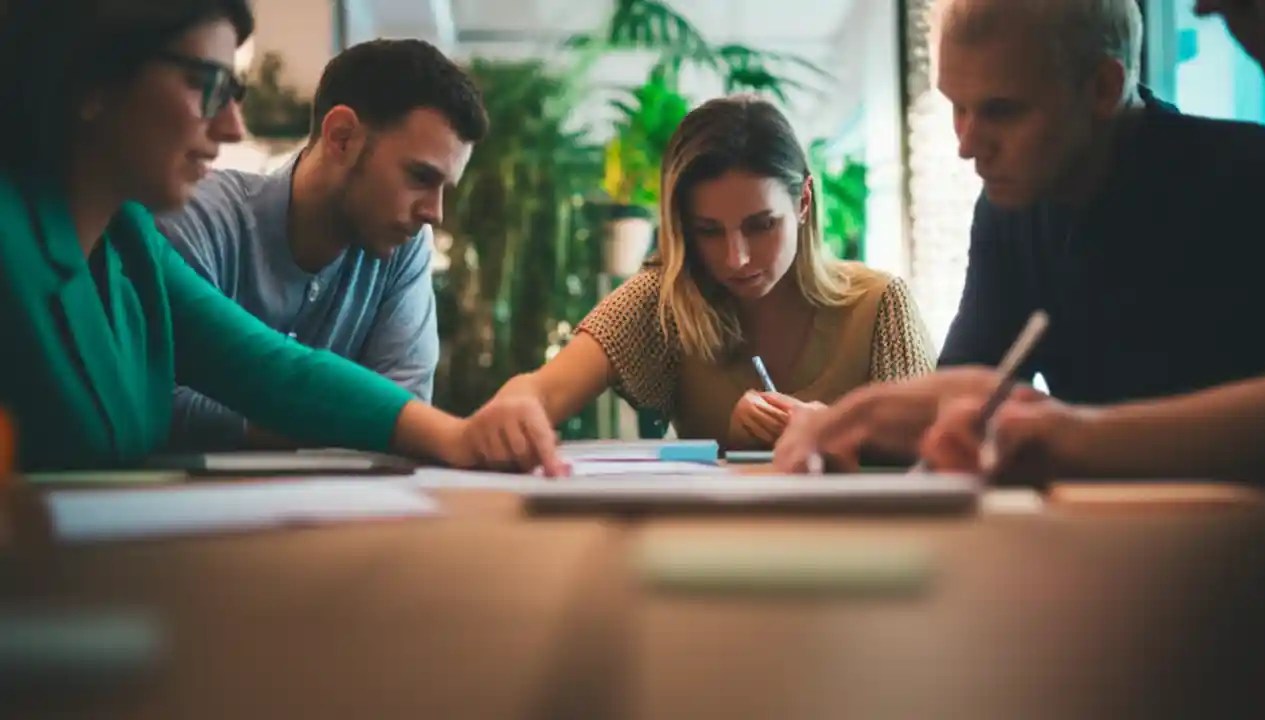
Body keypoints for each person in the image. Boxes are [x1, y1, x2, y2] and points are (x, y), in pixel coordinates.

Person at [0, 0, 565, 474]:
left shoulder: (130, 243)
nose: (232, 127)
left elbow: (276, 370)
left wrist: (456, 437)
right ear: (93, 78)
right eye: (206, 86)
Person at [775, 0, 1265, 472]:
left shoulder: (1254, 180)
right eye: (958, 107)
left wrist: (1064, 433)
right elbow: (971, 383)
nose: (968, 146)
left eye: (1002, 111)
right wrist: (858, 422)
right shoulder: (1011, 208)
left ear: (1104, 89)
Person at [475, 95, 934, 451]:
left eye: (760, 226)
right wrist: (520, 404)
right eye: (708, 231)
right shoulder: (665, 300)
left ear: (803, 202)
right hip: (704, 552)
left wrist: (837, 431)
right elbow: (544, 390)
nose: (736, 258)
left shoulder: (880, 305)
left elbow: (935, 448)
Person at [156, 38, 480, 450]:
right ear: (342, 137)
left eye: (444, 189)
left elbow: (406, 404)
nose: (434, 212)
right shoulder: (196, 219)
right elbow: (157, 399)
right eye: (420, 177)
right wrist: (355, 420)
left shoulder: (404, 246)